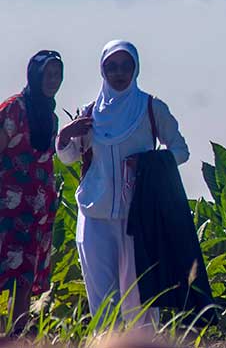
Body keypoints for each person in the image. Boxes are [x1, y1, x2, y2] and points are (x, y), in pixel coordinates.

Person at [56, 40, 189, 325]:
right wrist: (65, 135)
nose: (118, 73)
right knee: (103, 298)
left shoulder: (151, 108)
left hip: (138, 216)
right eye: (111, 67)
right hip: (95, 214)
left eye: (125, 66)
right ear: (102, 70)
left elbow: (180, 151)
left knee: (140, 296)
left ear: (135, 68)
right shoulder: (90, 111)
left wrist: (148, 162)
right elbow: (69, 157)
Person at [0, 51, 63, 333]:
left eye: (57, 75)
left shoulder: (50, 116)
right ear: (34, 76)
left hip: (36, 208)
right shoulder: (14, 109)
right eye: (48, 74)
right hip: (7, 206)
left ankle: (17, 335)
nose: (53, 80)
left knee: (24, 277)